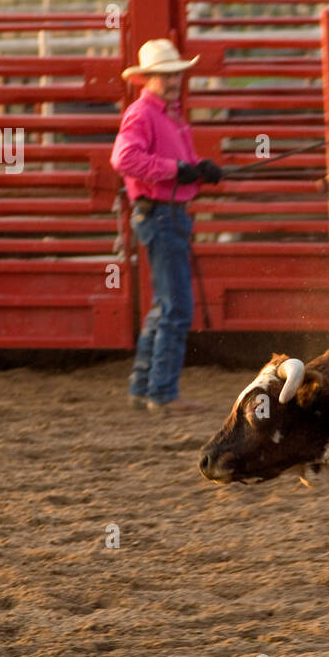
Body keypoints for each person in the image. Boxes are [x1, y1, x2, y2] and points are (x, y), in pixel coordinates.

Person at [111, 39, 222, 415]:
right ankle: (162, 393)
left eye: (176, 74)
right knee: (176, 307)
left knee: (164, 306)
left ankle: (145, 387)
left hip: (165, 213)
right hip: (162, 214)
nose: (174, 80)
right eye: (166, 75)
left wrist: (198, 168)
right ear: (148, 78)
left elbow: (172, 161)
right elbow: (124, 158)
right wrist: (177, 170)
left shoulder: (165, 113)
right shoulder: (144, 112)